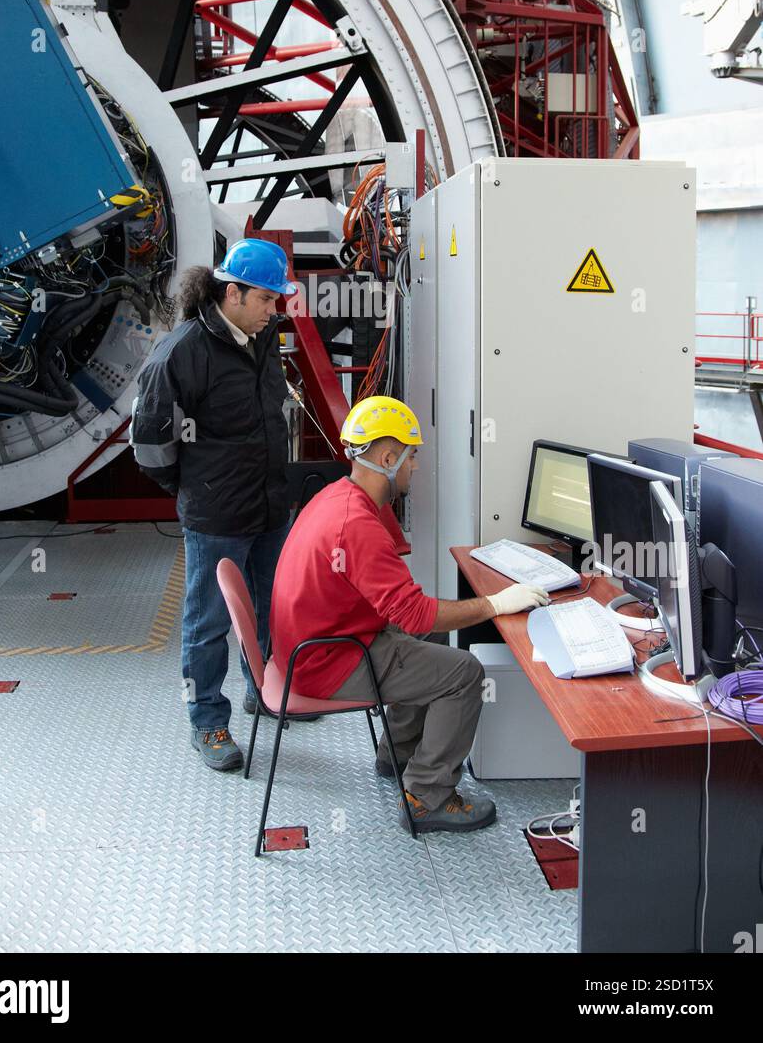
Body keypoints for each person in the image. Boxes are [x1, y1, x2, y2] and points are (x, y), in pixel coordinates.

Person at [270, 394, 550, 833]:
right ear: (387, 456)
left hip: (314, 645)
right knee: (463, 673)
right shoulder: (357, 523)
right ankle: (427, 795)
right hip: (328, 659)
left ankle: (396, 754)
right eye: (411, 456)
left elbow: (404, 608)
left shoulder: (340, 496)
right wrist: (497, 603)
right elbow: (414, 614)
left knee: (434, 642)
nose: (415, 466)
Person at [130, 238, 295, 772]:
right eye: (267, 300)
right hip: (216, 514)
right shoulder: (181, 353)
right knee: (208, 622)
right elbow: (152, 446)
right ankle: (207, 721)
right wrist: (196, 489)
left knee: (270, 607)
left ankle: (261, 690)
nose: (275, 312)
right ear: (233, 292)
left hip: (269, 504)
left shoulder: (260, 337)